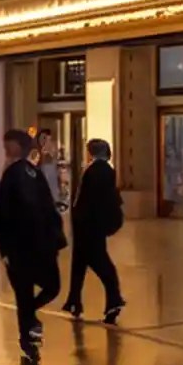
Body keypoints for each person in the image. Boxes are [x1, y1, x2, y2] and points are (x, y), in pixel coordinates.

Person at [0, 128, 67, 362]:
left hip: (26, 246)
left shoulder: (21, 173)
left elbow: (7, 213)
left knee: (31, 294)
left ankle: (29, 326)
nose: (5, 149)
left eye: (8, 145)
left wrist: (6, 247)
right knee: (35, 290)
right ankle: (28, 338)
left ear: (18, 146)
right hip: (29, 245)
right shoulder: (27, 173)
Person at [61, 139, 126, 324]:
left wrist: (82, 219)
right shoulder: (102, 169)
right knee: (79, 265)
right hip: (87, 226)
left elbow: (92, 200)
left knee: (101, 264)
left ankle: (114, 300)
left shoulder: (98, 170)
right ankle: (74, 300)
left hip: (90, 226)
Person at [37, 130, 67, 210]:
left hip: (51, 168)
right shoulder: (43, 147)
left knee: (52, 186)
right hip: (46, 168)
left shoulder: (52, 145)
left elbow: (53, 156)